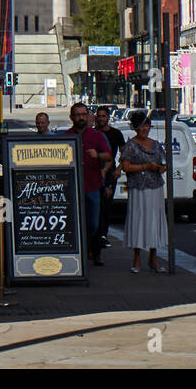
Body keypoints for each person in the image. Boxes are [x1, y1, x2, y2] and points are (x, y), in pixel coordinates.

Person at [121, 110, 168, 272]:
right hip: (139, 188)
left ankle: (153, 258)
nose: (145, 129)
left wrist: (162, 167)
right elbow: (126, 167)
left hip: (155, 186)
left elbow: (164, 161)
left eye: (147, 126)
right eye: (142, 126)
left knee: (155, 220)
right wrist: (146, 167)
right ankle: (136, 259)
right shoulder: (131, 145)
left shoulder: (155, 144)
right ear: (136, 128)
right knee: (139, 220)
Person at [68, 102, 112, 266]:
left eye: (83, 114)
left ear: (88, 116)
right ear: (72, 117)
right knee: (74, 223)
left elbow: (109, 156)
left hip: (92, 185)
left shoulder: (97, 136)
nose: (80, 117)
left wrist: (97, 156)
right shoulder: (66, 135)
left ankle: (92, 249)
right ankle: (82, 252)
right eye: (77, 115)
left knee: (93, 223)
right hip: (72, 188)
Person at [94, 106, 125, 244]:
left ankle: (103, 235)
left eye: (103, 116)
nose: (101, 119)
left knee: (106, 205)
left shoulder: (116, 133)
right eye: (99, 116)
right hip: (94, 172)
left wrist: (119, 169)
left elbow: (124, 154)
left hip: (110, 174)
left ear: (108, 117)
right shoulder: (93, 133)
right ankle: (95, 235)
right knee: (95, 205)